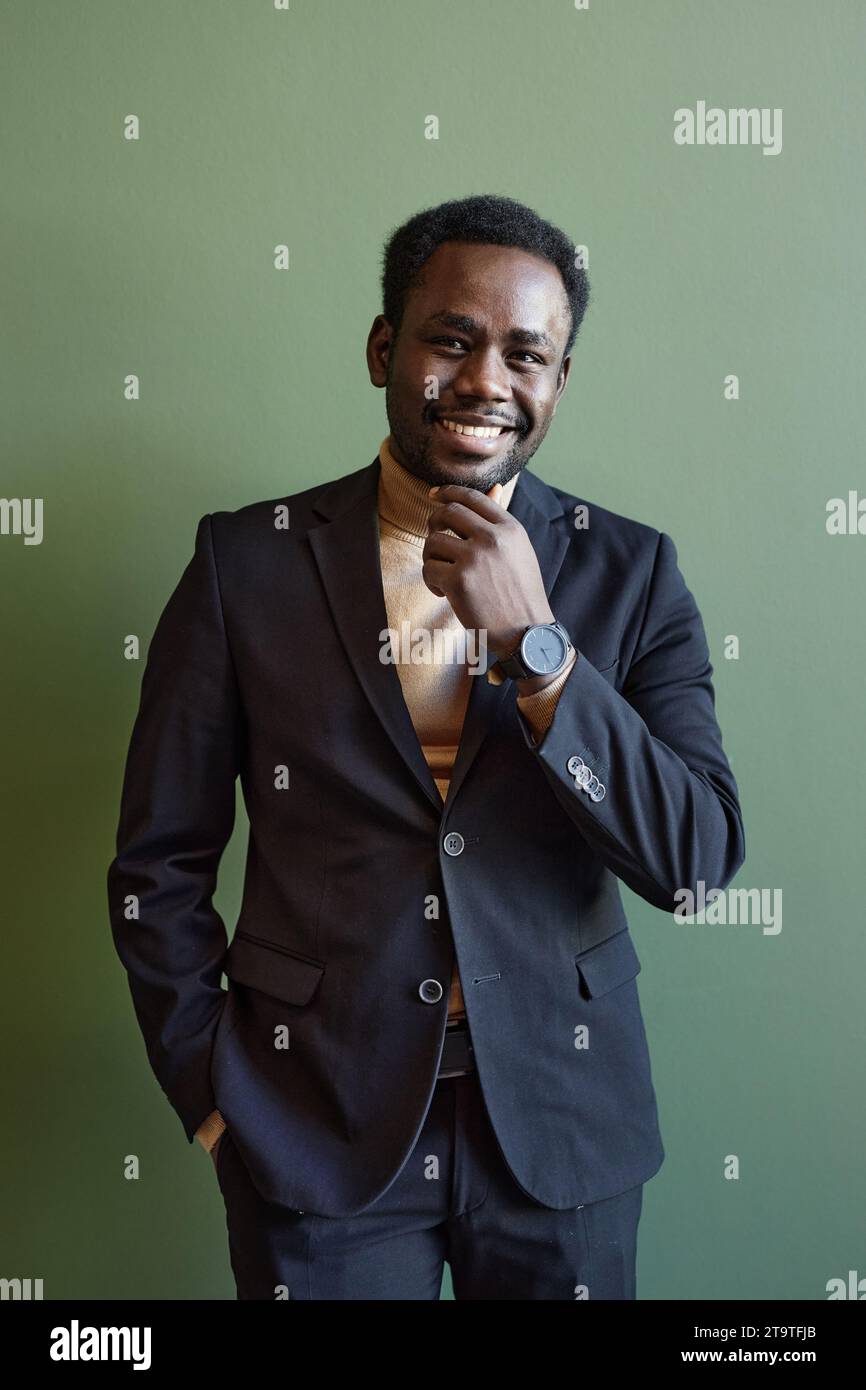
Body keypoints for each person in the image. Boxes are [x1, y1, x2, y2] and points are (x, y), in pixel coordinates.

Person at [107, 193, 745, 1300]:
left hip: (561, 1128)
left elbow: (694, 863)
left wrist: (539, 655)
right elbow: (157, 864)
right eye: (450, 338)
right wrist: (208, 1087)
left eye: (525, 354)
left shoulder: (632, 574)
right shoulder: (243, 565)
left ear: (554, 383)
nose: (485, 379)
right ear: (382, 349)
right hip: (310, 1127)